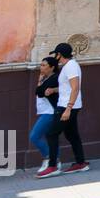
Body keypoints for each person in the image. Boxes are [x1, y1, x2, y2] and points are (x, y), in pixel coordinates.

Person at [51, 42, 90, 173]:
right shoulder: (69, 66)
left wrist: (68, 108)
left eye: (56, 54)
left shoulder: (71, 67)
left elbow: (75, 88)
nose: (55, 56)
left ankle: (52, 167)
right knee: (72, 135)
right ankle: (81, 163)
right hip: (68, 105)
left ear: (59, 55)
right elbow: (67, 87)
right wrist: (54, 90)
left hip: (67, 107)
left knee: (51, 134)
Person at [33, 56, 62, 178]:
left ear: (52, 67)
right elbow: (39, 91)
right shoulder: (47, 78)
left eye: (44, 65)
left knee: (34, 136)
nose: (41, 67)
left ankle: (51, 159)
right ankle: (53, 160)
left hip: (50, 112)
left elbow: (39, 92)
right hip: (46, 112)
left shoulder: (54, 78)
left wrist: (41, 83)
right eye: (41, 64)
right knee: (48, 136)